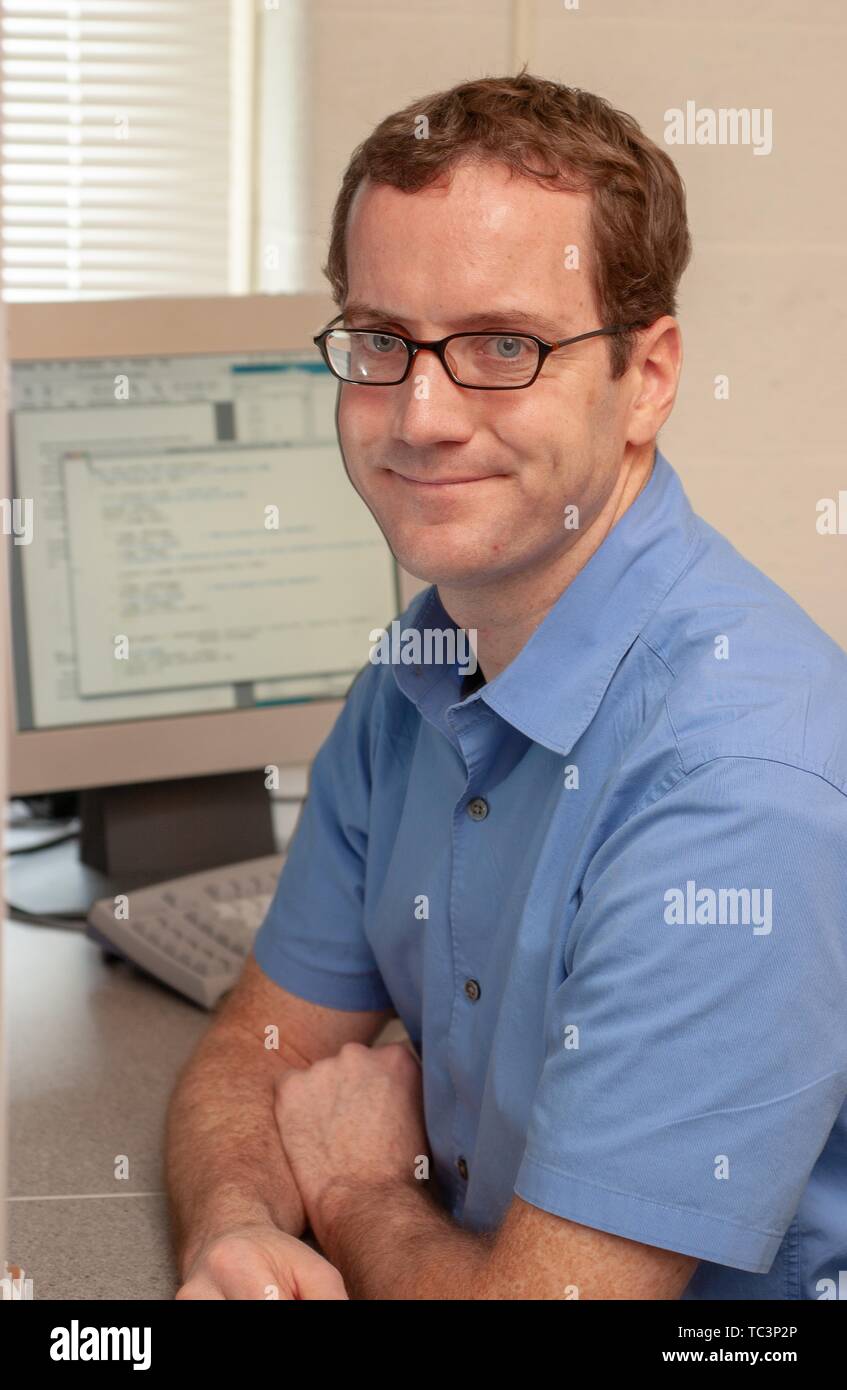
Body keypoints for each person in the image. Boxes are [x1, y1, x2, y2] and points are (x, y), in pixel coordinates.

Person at [167, 70, 847, 1300]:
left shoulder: (738, 783)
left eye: (502, 346)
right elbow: (258, 1044)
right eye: (382, 340)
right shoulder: (420, 670)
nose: (420, 414)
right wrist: (237, 1230)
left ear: (645, 378)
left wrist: (360, 1191)